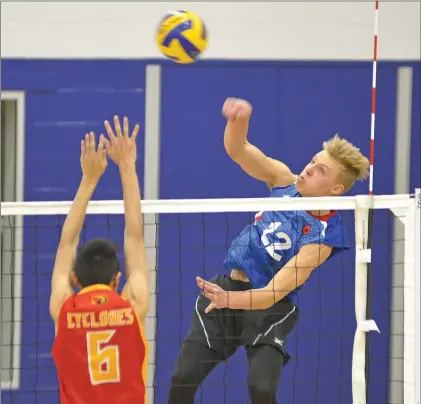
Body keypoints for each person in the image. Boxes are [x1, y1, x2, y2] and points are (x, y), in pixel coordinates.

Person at [168, 98, 370, 404]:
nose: (309, 169)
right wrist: (240, 120)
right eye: (313, 161)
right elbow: (239, 150)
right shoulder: (283, 180)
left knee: (261, 388)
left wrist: (230, 301)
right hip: (228, 290)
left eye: (320, 170)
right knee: (182, 380)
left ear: (336, 189)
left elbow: (273, 293)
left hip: (269, 308)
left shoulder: (324, 237)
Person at [50, 116, 150, 404]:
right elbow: (134, 237)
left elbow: (65, 244)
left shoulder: (64, 310)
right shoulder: (133, 305)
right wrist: (127, 168)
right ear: (117, 279)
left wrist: (88, 179)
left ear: (74, 279)